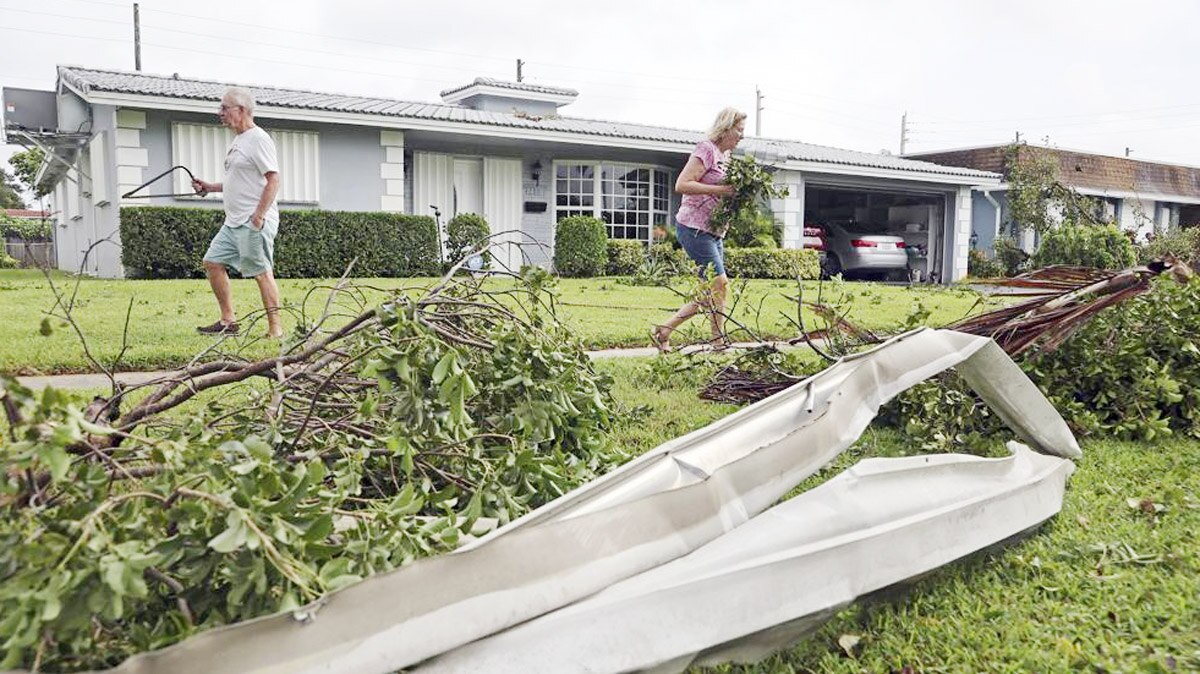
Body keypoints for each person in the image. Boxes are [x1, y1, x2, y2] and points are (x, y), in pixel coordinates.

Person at [190, 87, 284, 338]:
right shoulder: (239, 141)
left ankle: (275, 329)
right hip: (233, 222)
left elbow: (273, 179)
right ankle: (228, 321)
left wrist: (259, 216)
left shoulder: (259, 139)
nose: (219, 113)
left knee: (261, 273)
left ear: (240, 110)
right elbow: (237, 181)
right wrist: (210, 187)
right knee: (212, 262)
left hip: (252, 221)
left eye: (224, 108)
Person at [651, 107, 746, 352]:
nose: (742, 136)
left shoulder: (726, 158)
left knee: (711, 292)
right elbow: (682, 184)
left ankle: (664, 330)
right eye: (739, 130)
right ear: (726, 128)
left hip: (713, 231)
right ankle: (717, 341)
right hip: (693, 227)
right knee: (720, 284)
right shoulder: (706, 149)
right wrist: (722, 191)